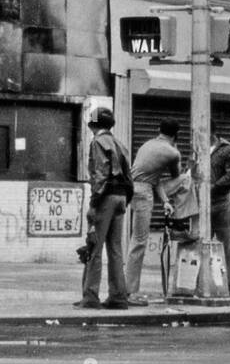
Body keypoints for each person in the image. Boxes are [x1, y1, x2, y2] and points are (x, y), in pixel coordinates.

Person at [76, 107, 135, 310]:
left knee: (94, 247)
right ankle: (118, 297)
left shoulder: (98, 142)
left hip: (105, 197)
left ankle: (90, 296)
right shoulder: (120, 144)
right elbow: (129, 175)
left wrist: (94, 203)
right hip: (121, 197)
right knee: (116, 249)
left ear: (93, 124)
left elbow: (100, 173)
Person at [124, 119, 179, 305]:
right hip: (143, 192)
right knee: (139, 241)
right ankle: (130, 292)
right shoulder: (173, 152)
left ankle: (127, 288)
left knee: (136, 240)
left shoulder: (147, 144)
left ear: (158, 130)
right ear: (175, 135)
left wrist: (165, 201)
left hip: (133, 188)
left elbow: (153, 178)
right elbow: (175, 177)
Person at [210, 133, 230, 298]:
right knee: (199, 245)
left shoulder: (227, 149)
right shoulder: (197, 149)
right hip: (202, 204)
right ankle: (201, 285)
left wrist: (211, 187)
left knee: (227, 246)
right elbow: (189, 170)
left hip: (221, 202)